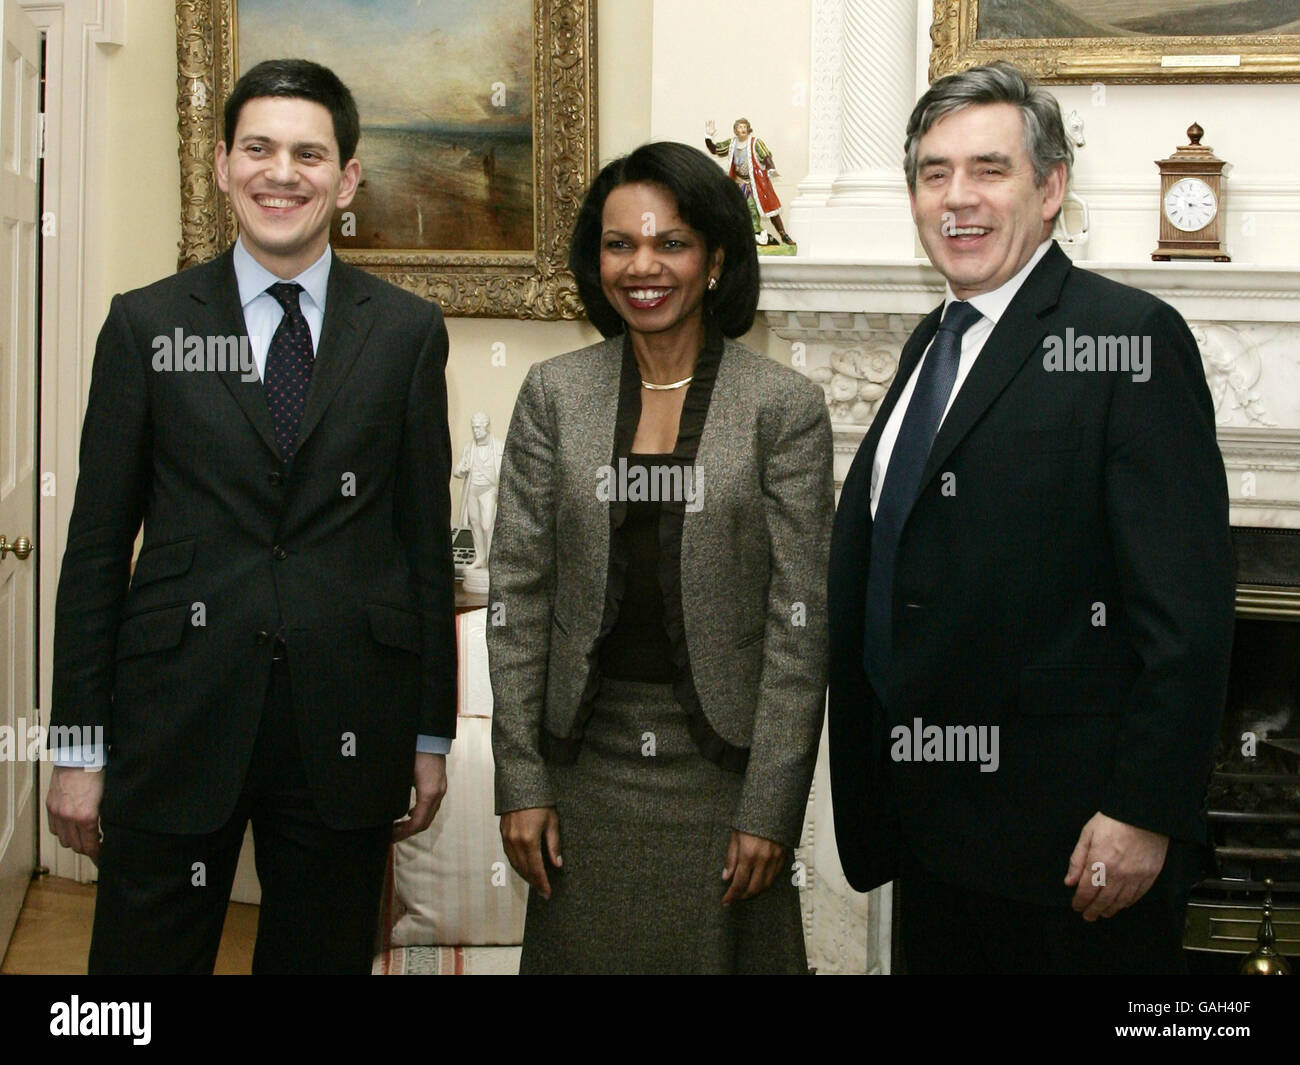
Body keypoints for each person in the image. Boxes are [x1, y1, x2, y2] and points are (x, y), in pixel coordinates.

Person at [45, 58, 458, 974]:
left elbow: (424, 548)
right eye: (260, 149)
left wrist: (430, 734)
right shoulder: (145, 325)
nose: (283, 173)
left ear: (347, 178)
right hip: (174, 716)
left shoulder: (405, 333)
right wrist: (75, 743)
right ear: (224, 164)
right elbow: (96, 549)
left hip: (345, 724)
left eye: (309, 154)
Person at [827, 62, 1235, 975]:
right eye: (934, 174)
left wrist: (1144, 809)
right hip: (933, 835)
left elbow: (1190, 616)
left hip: (1072, 855)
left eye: (989, 169)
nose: (957, 198)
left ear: (1051, 189)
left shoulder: (1128, 338)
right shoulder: (932, 342)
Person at [488, 141, 833, 974]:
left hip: (723, 774)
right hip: (584, 772)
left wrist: (772, 808)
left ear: (715, 258)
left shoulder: (781, 408)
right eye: (620, 244)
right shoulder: (552, 393)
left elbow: (800, 628)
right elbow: (518, 601)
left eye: (670, 243)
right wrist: (523, 782)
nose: (643, 266)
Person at [705, 118, 795, 245]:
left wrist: (770, 169)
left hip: (757, 182)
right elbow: (715, 149)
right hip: (739, 182)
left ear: (748, 128)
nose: (742, 129)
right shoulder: (732, 144)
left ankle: (783, 234)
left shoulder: (755, 143)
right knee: (740, 208)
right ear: (735, 130)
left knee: (769, 207)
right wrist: (708, 137)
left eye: (744, 127)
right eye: (739, 127)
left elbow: (766, 157)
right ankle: (744, 236)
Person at [453, 411, 504, 570]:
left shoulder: (498, 447)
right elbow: (457, 471)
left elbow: (504, 472)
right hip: (472, 491)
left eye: (478, 428)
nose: (475, 431)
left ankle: (490, 559)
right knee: (474, 523)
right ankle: (480, 557)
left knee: (487, 525)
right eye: (473, 428)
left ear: (486, 427)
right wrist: (462, 469)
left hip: (488, 491)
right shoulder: (469, 447)